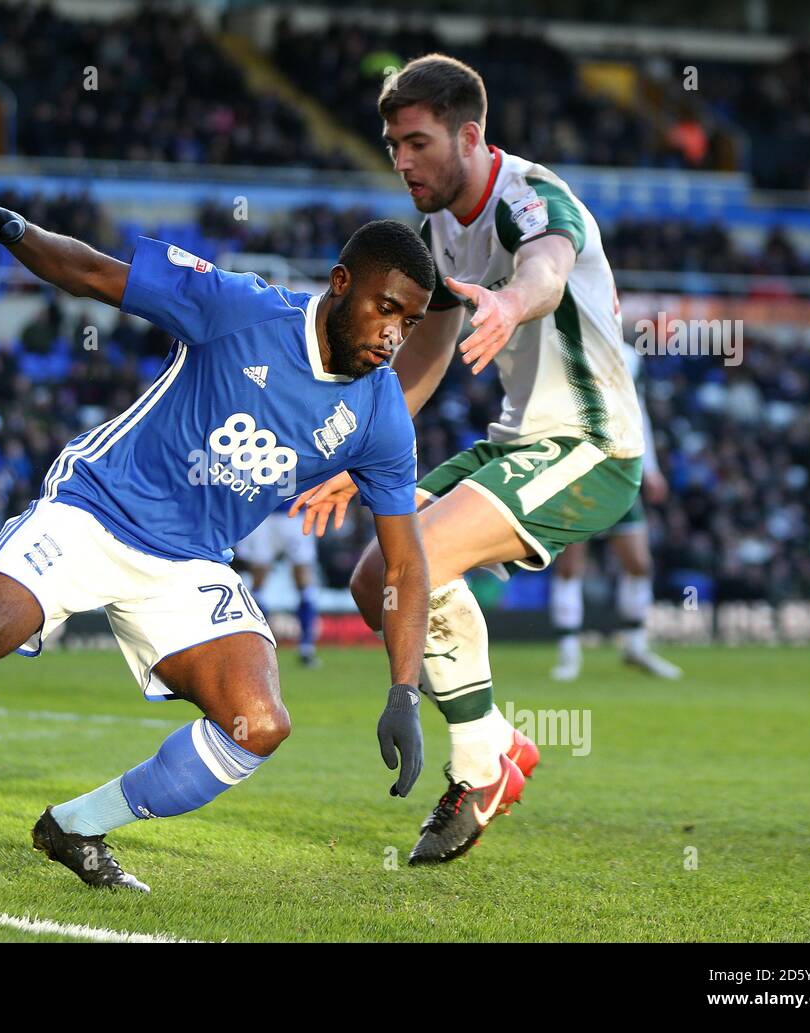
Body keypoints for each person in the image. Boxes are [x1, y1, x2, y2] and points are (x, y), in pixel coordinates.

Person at [0, 208, 434, 892]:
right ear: (342, 282)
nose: (394, 335)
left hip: (189, 560)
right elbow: (93, 274)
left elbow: (404, 563)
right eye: (387, 309)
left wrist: (404, 687)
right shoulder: (241, 309)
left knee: (257, 724)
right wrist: (19, 233)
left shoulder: (380, 416)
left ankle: (74, 825)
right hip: (96, 505)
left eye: (410, 323)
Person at [293, 54, 645, 864]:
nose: (401, 161)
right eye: (391, 145)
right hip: (519, 438)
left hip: (591, 444)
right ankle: (495, 752)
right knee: (375, 578)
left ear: (470, 135)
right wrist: (361, 455)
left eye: (416, 142)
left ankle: (480, 767)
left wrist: (512, 302)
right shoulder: (435, 232)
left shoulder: (529, 196)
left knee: (417, 561)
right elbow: (425, 357)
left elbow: (547, 269)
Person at [550, 346, 681, 681]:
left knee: (639, 563)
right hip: (578, 472)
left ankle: (636, 646)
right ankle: (569, 654)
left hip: (619, 471)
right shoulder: (566, 350)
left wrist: (649, 468)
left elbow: (638, 415)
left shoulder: (628, 356)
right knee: (570, 566)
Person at [234, 509, 322, 667]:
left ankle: (305, 647)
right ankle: (264, 646)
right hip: (273, 513)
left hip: (280, 512)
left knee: (263, 580)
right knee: (298, 579)